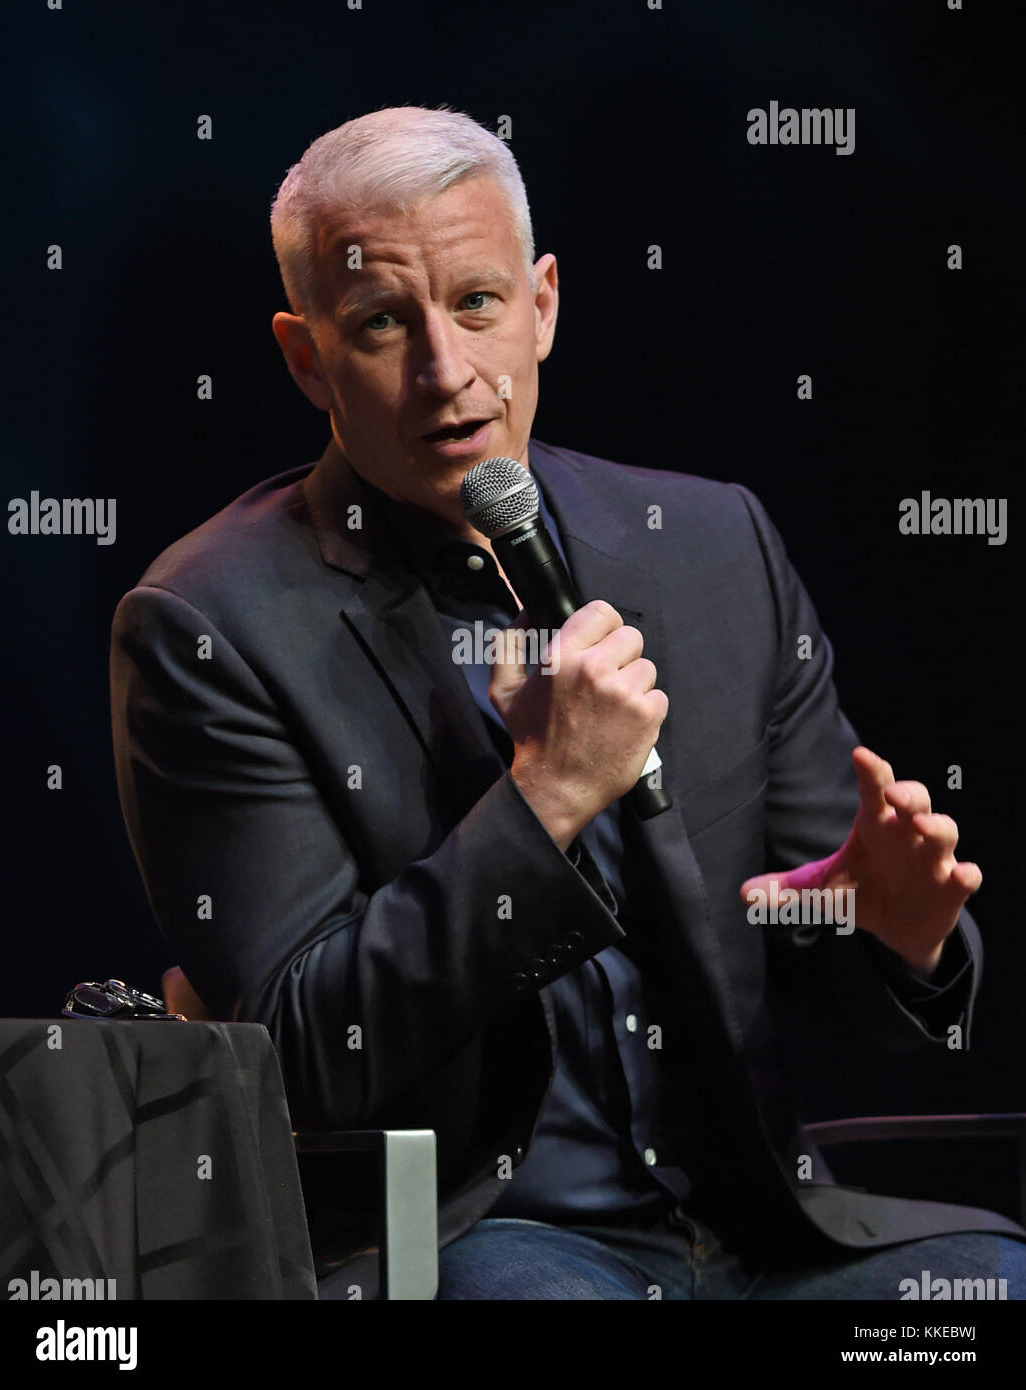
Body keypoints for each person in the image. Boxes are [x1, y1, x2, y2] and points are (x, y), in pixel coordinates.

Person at [110, 106, 1026, 1299]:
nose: (447, 371)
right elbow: (296, 1046)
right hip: (474, 1238)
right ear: (305, 356)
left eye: (478, 303)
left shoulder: (710, 546)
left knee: (974, 1291)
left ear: (541, 304)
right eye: (384, 323)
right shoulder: (208, 622)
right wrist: (540, 799)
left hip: (759, 1231)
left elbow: (807, 926)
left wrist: (892, 927)